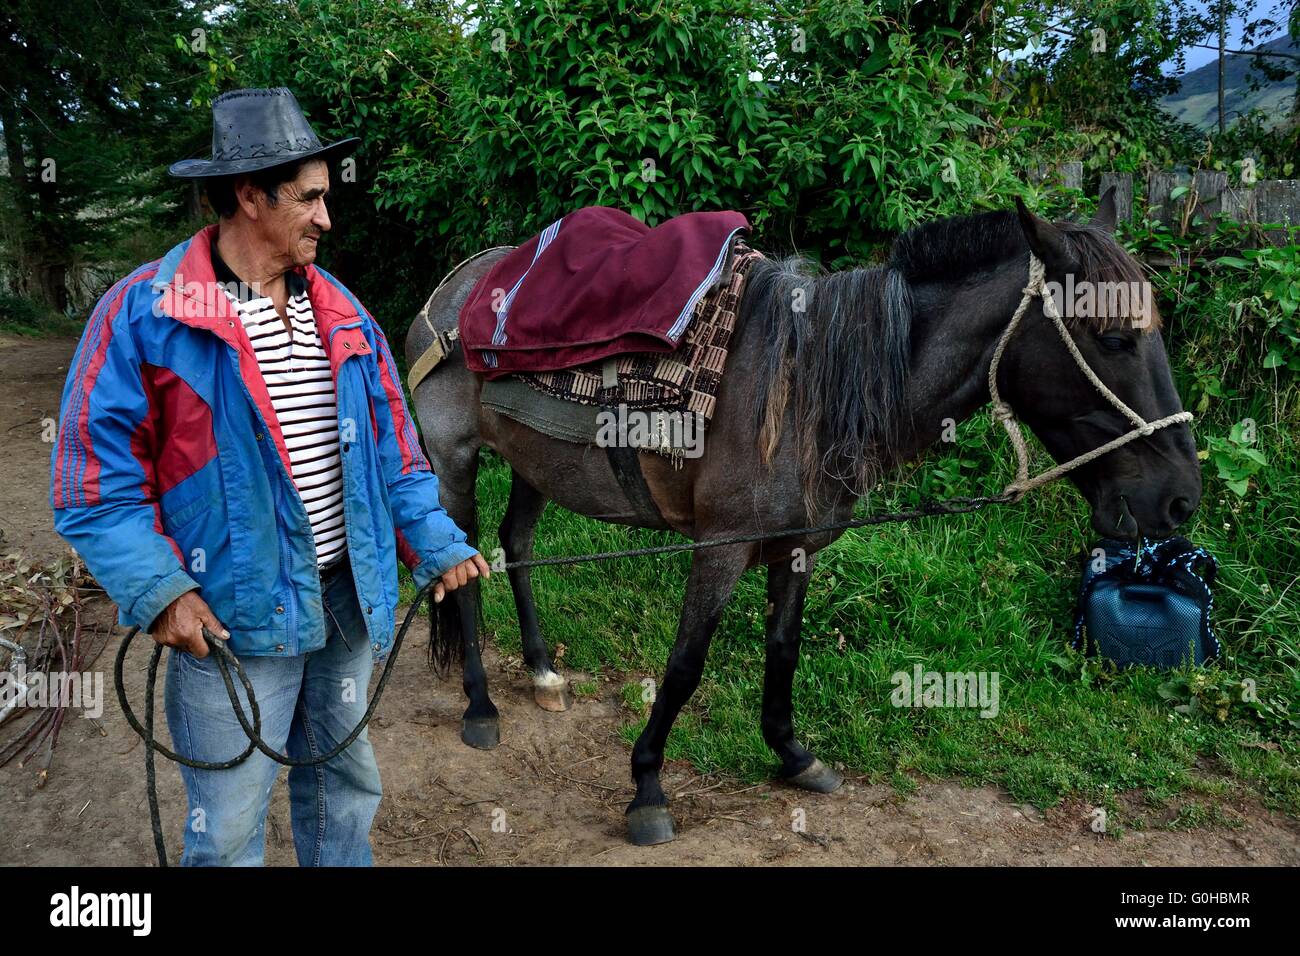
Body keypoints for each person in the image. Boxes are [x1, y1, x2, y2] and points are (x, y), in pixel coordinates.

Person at [49, 87, 490, 865]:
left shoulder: (344, 313)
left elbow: (397, 452)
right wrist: (159, 592)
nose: (327, 217)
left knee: (346, 789)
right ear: (248, 196)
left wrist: (434, 537)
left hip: (346, 602)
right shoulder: (146, 315)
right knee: (224, 824)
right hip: (231, 617)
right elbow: (93, 484)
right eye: (311, 198)